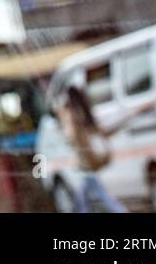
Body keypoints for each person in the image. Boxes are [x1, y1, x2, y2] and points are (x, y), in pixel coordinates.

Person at [55, 84, 150, 213]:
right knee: (85, 196)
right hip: (90, 162)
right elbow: (100, 130)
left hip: (86, 163)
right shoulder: (84, 111)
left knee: (93, 196)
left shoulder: (72, 115)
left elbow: (71, 137)